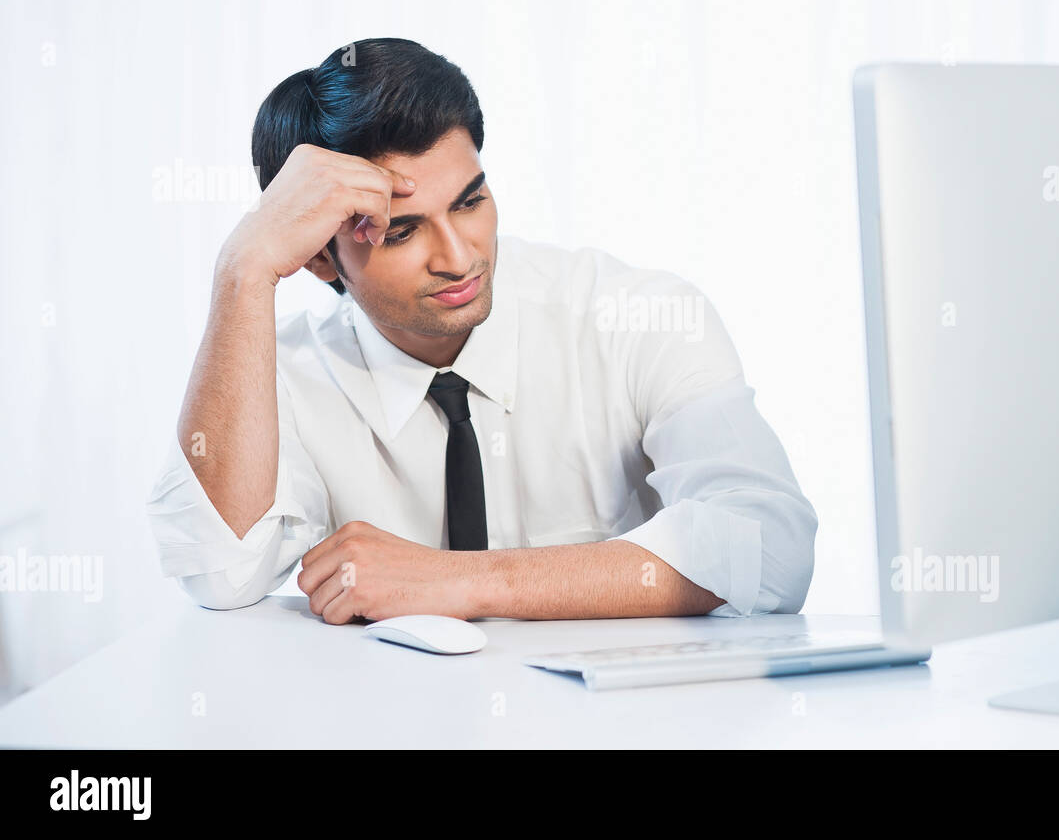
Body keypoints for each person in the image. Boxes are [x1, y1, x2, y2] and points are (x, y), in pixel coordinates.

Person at [146, 38, 816, 624]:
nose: (459, 255)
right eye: (402, 230)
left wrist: (460, 581)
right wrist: (243, 268)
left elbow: (771, 544)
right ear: (322, 255)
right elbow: (219, 574)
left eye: (469, 202)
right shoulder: (282, 377)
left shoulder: (632, 315)